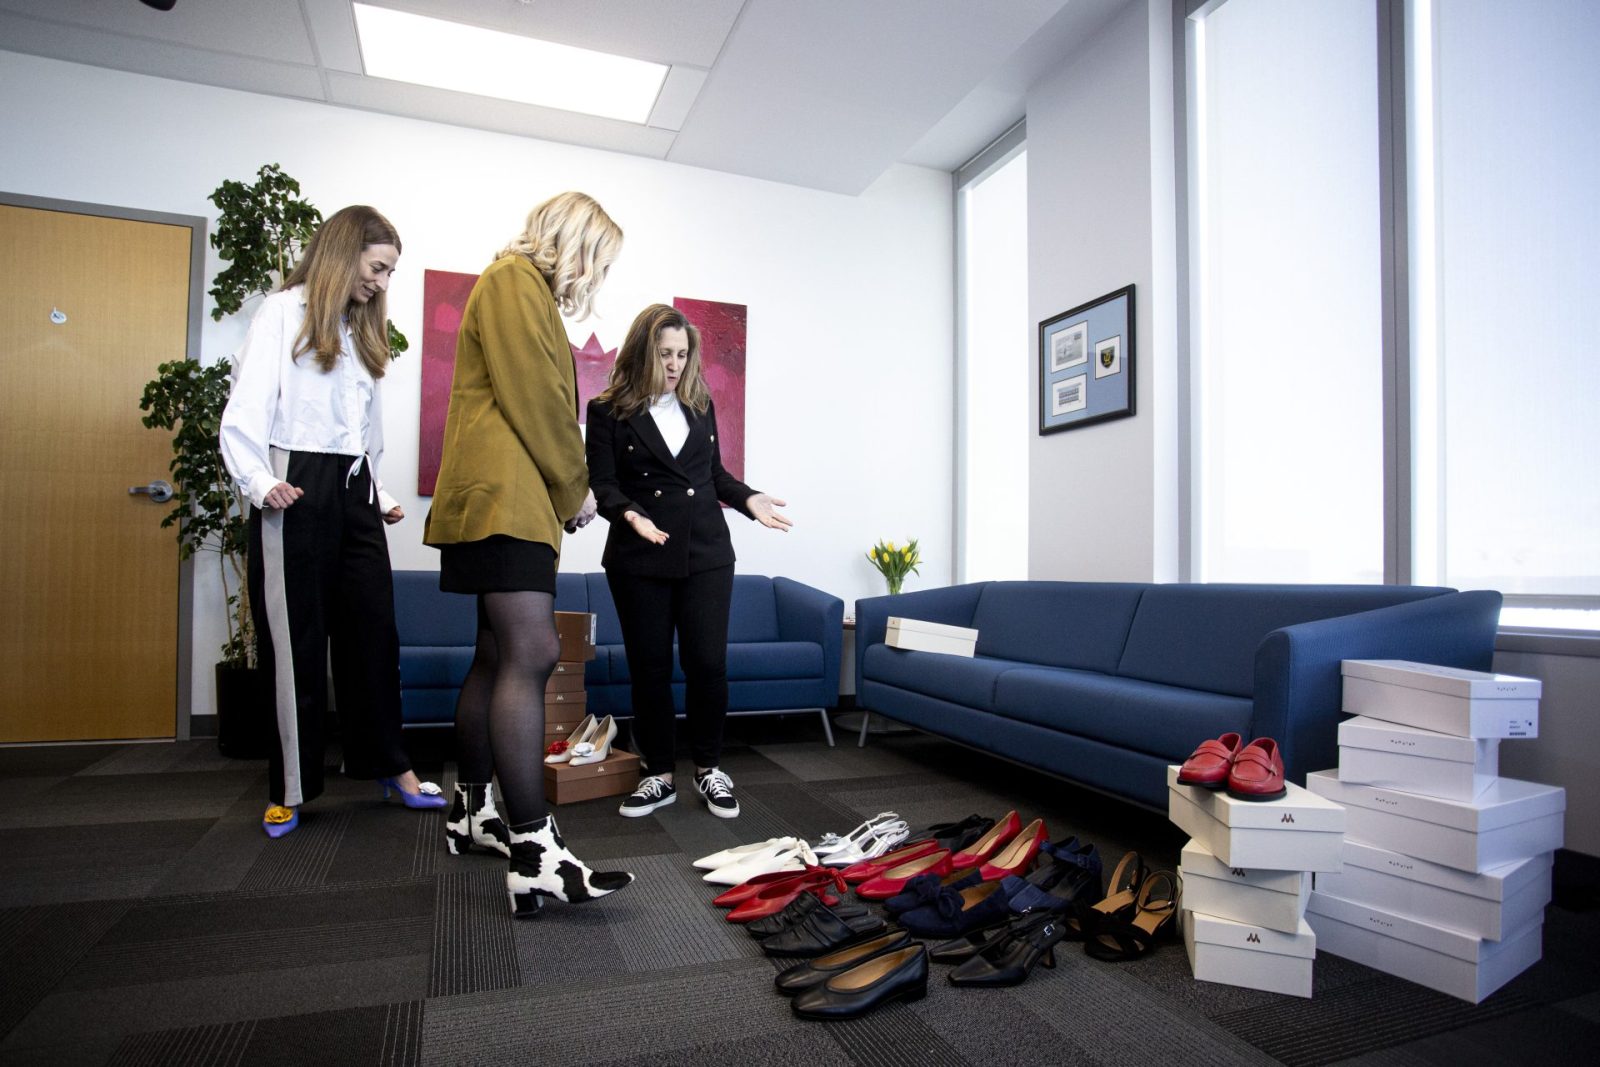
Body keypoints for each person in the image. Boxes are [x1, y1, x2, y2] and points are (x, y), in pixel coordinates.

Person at [425, 192, 633, 917]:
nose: (593, 279)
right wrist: (576, 487)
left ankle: (473, 809)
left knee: (495, 656)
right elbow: (538, 399)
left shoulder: (518, 287)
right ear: (570, 243)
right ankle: (535, 849)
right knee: (533, 653)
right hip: (505, 499)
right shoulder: (514, 281)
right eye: (595, 261)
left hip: (505, 500)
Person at [220, 205, 445, 840]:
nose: (381, 282)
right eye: (377, 267)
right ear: (344, 254)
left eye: (389, 272)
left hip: (352, 489)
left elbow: (365, 436)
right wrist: (262, 483)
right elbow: (243, 412)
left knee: (374, 635)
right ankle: (291, 788)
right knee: (295, 642)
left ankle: (389, 766)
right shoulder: (281, 314)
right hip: (295, 485)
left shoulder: (356, 332)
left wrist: (379, 492)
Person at [586, 304, 792, 821]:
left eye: (681, 354)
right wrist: (628, 513)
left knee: (707, 664)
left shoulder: (699, 405)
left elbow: (714, 474)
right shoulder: (607, 410)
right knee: (650, 668)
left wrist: (748, 499)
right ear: (642, 352)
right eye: (664, 353)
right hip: (640, 554)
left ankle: (708, 767)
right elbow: (603, 483)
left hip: (706, 552)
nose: (674, 364)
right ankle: (658, 774)